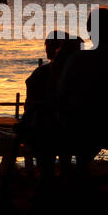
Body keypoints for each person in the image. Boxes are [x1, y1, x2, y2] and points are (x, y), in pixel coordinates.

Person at [57, 6, 108, 160]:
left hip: (84, 131)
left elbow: (61, 95)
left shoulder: (77, 60)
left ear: (90, 32)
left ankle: (63, 177)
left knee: (58, 122)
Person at [17, 31, 82, 173]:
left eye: (48, 45)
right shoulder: (81, 76)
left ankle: (48, 177)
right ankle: (65, 173)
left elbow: (30, 108)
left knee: (46, 126)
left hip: (47, 133)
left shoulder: (41, 74)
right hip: (76, 132)